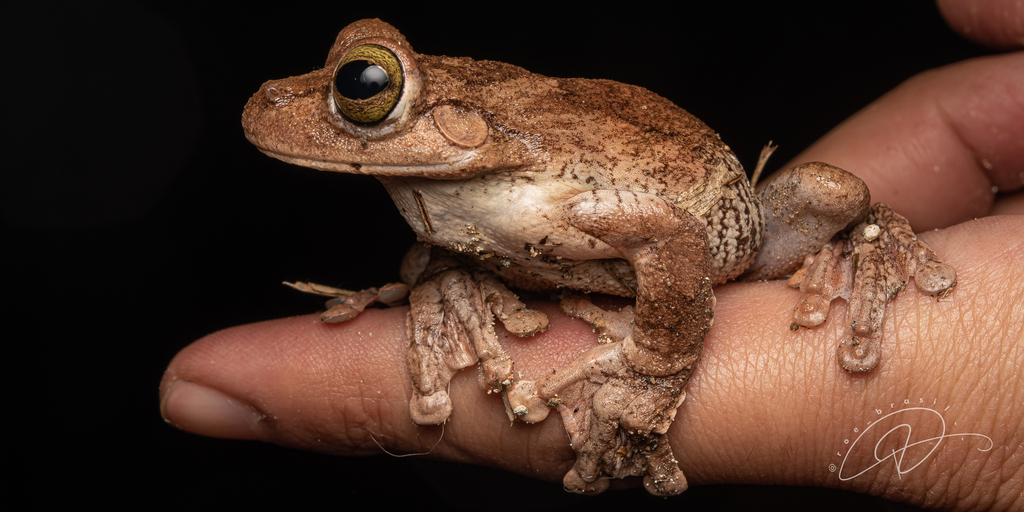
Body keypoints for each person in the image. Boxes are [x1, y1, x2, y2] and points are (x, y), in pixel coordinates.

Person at [160, 1, 1022, 508]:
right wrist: (441, 278)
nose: (286, 101)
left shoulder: (558, 194)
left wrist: (651, 368)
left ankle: (874, 241)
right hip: (549, 252)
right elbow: (456, 242)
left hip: (729, 244)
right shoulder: (455, 198)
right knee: (443, 273)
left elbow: (673, 237)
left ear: (452, 122)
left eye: (366, 90)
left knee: (831, 193)